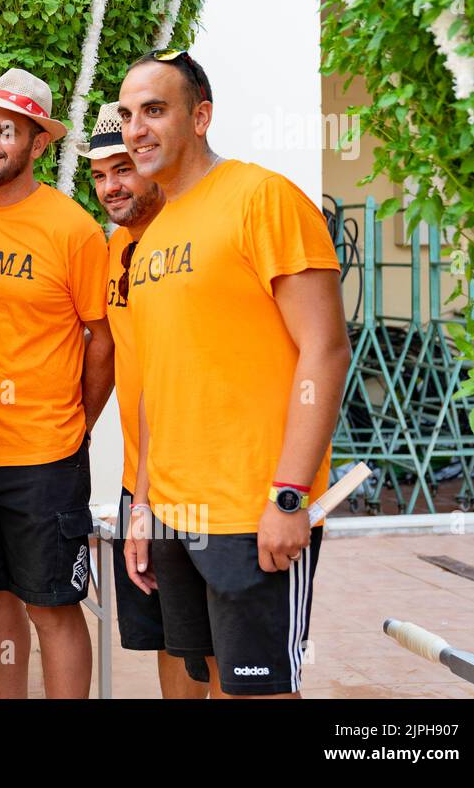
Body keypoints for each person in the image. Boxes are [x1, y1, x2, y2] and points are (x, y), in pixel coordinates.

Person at [120, 49, 350, 698]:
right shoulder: (154, 234)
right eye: (129, 113)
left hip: (252, 511)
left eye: (155, 110)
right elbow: (155, 389)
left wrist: (289, 494)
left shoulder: (262, 198)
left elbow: (326, 349)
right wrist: (142, 506)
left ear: (201, 117)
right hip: (174, 510)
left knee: (263, 692)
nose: (137, 128)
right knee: (213, 685)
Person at [0, 69, 112, 699]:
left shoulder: (73, 229)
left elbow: (102, 339)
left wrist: (77, 426)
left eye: (7, 131)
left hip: (42, 457)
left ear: (38, 145)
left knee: (54, 607)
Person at [82, 101, 208, 699]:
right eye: (100, 175)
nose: (111, 186)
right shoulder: (114, 247)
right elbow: (111, 350)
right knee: (167, 634)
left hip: (199, 476)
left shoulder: (193, 234)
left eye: (123, 168)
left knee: (216, 645)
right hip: (143, 477)